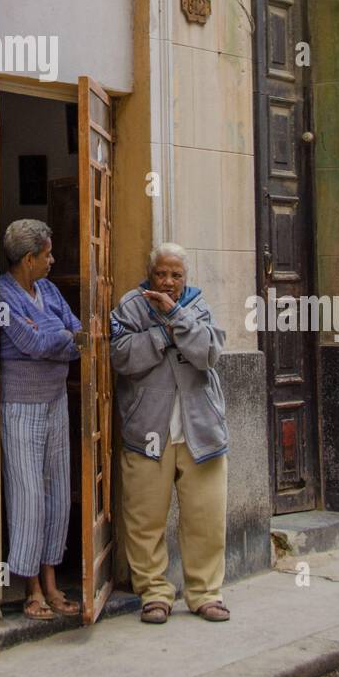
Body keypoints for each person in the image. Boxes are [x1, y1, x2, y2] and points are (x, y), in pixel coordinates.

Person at [110, 242, 230, 624]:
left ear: (186, 278)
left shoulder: (197, 305)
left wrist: (176, 317)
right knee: (145, 519)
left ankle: (205, 593)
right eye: (161, 273)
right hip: (149, 430)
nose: (168, 281)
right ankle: (155, 593)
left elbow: (209, 353)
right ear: (150, 274)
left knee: (206, 519)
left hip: (200, 432)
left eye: (176, 275)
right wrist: (162, 335)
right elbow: (121, 356)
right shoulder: (131, 306)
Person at [0, 219, 83, 619]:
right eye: (47, 254)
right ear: (29, 258)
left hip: (55, 399)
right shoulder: (3, 294)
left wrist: (59, 338)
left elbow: (79, 334)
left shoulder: (48, 290)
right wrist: (59, 338)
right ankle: (30, 586)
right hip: (20, 404)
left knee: (57, 490)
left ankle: (52, 582)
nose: (53, 260)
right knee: (28, 495)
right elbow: (30, 342)